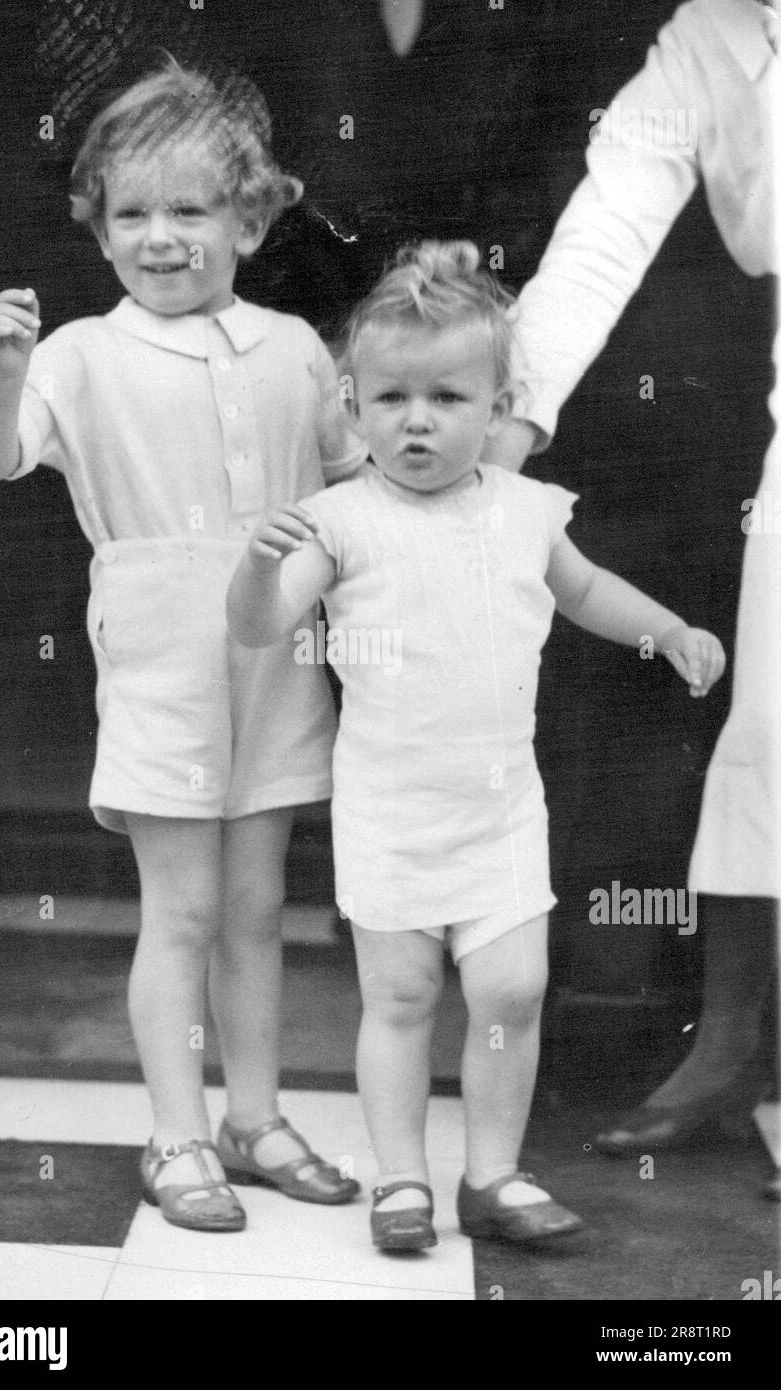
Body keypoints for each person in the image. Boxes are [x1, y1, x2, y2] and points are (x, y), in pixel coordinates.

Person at [226, 241, 726, 1250]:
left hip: (498, 805)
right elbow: (256, 628)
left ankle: (492, 1171)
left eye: (447, 398)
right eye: (392, 398)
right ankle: (402, 1178)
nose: (417, 419)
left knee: (510, 989)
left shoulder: (527, 511)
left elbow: (583, 591)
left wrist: (666, 629)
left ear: (498, 409)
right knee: (401, 995)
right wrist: (251, 567)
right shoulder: (338, 521)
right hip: (390, 808)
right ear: (352, 409)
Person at [0, 61, 364, 1231]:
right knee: (178, 910)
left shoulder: (291, 348)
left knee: (255, 905)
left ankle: (257, 1114)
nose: (161, 237)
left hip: (280, 649)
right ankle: (177, 1132)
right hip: (161, 653)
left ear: (252, 215)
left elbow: (354, 484)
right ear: (95, 225)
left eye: (190, 211)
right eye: (131, 213)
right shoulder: (76, 355)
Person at [487, 0, 780, 1190]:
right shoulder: (708, 30)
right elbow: (612, 215)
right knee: (763, 738)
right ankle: (728, 1052)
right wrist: (509, 426)